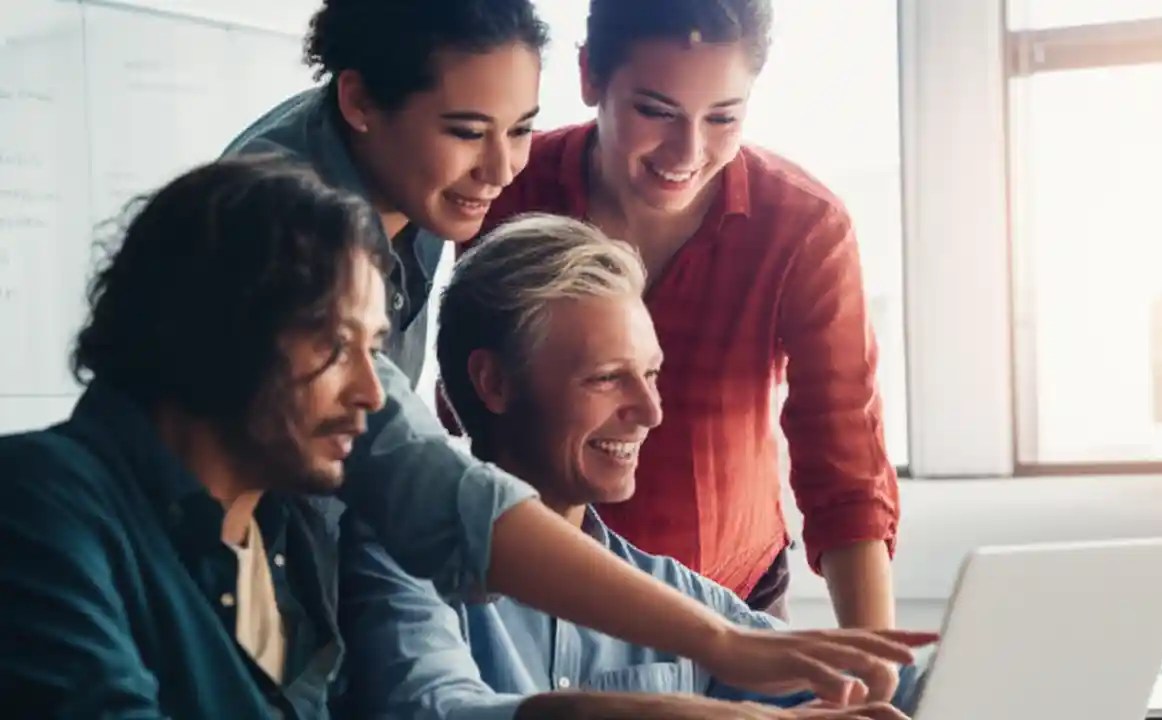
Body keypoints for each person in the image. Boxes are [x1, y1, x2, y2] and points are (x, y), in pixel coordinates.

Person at [223, 0, 924, 706]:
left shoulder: (422, 178)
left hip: (694, 587)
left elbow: (843, 462)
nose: (499, 168)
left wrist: (867, 681)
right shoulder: (303, 226)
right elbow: (406, 463)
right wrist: (715, 643)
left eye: (519, 128)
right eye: (468, 131)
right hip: (292, 577)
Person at [339, 214, 928, 718]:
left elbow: (890, 686)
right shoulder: (399, 555)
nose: (650, 412)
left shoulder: (678, 594)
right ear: (493, 382)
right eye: (605, 378)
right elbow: (437, 711)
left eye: (650, 374)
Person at [475, 0, 899, 627]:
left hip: (732, 609)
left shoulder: (804, 228)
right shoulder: (504, 185)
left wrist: (874, 663)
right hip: (531, 602)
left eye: (723, 117)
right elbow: (467, 388)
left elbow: (845, 467)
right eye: (655, 111)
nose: (688, 151)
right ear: (591, 76)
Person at [0, 158, 393, 717]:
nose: (372, 394)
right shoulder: (35, 500)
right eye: (335, 345)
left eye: (373, 349)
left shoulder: (293, 538)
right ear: (220, 327)